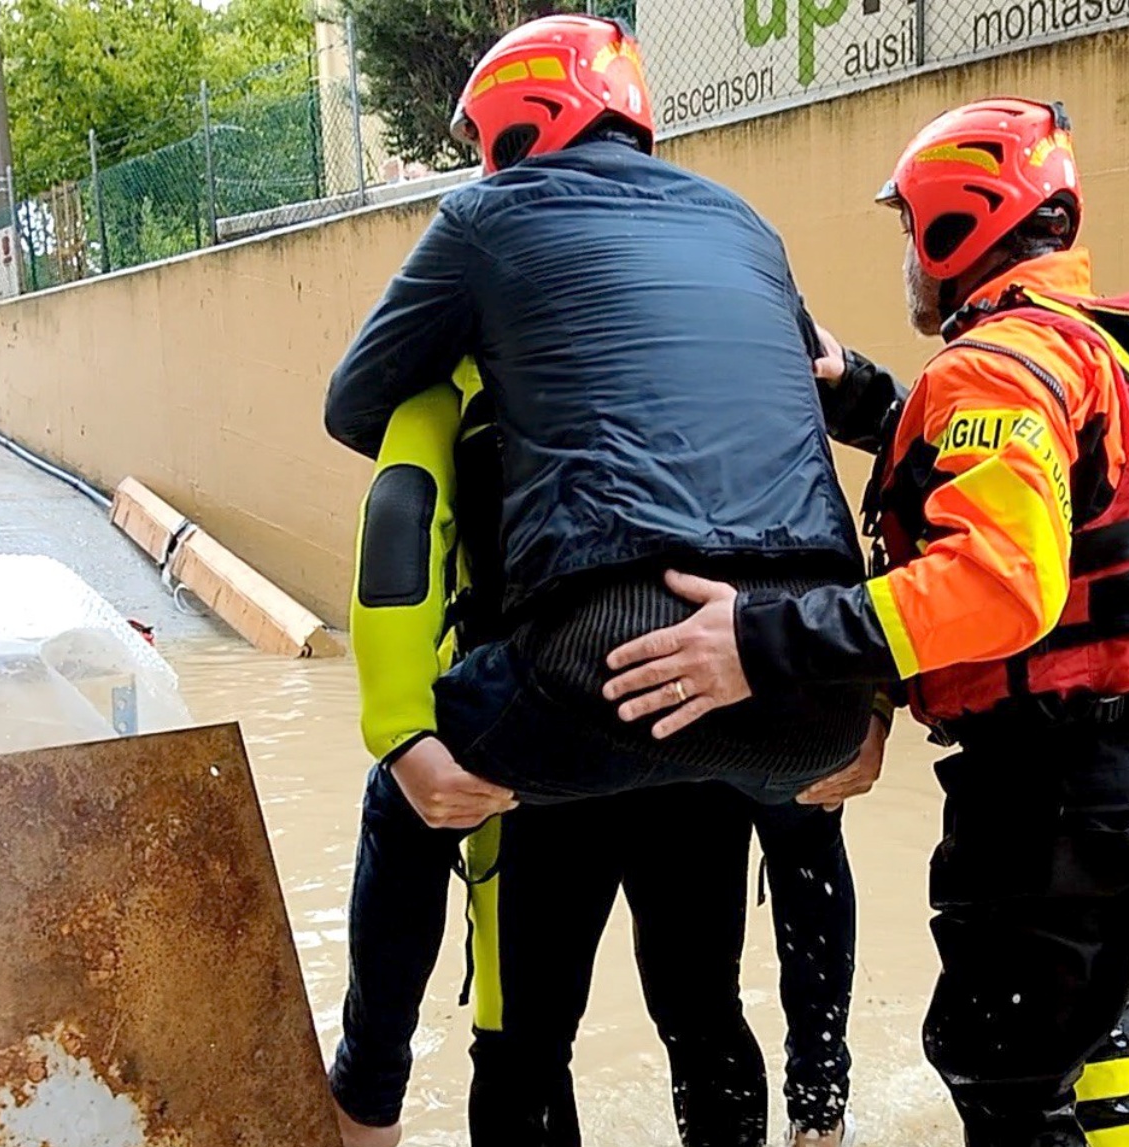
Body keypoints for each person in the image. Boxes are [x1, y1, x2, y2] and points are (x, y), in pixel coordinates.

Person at [602, 98, 1129, 1147]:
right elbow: (1040, 479)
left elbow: (997, 583)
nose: (907, 258)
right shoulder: (1098, 342)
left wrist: (760, 642)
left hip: (1059, 789)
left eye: (910, 231)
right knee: (1090, 1012)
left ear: (956, 229)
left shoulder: (992, 372)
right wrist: (854, 388)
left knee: (1001, 1070)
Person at [329, 364, 881, 1147]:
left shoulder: (450, 379)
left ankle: (377, 1097)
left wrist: (401, 730)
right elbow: (815, 514)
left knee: (524, 1041)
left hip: (536, 750)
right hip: (704, 719)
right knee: (702, 1002)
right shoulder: (704, 356)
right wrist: (863, 697)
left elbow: (400, 525)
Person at [324, 14, 873, 810]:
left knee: (400, 792)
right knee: (793, 810)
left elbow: (357, 401)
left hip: (602, 664)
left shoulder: (487, 215)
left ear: (513, 126)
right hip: (822, 678)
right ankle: (815, 897)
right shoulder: (748, 225)